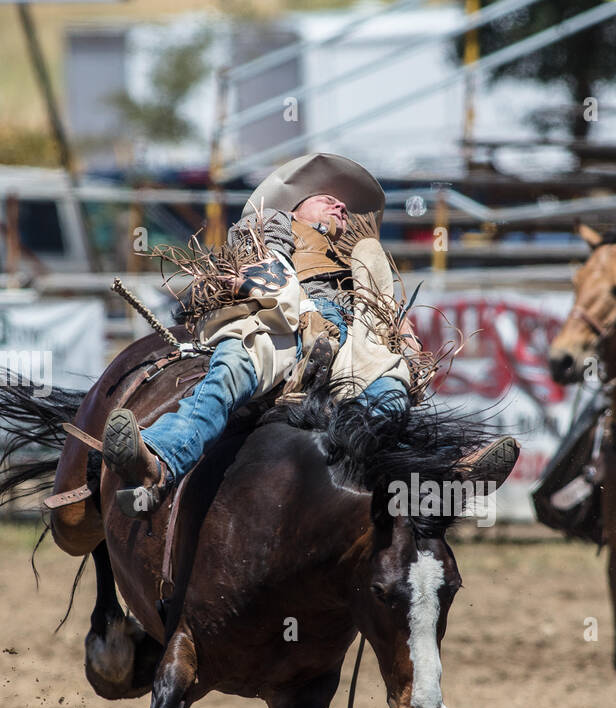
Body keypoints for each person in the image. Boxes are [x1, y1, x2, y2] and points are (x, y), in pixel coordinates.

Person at [102, 153, 519, 517]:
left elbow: (386, 309)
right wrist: (304, 315)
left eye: (344, 203)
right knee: (234, 364)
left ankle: (445, 474)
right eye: (326, 198)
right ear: (296, 207)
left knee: (390, 389)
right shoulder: (270, 227)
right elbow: (261, 279)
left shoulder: (363, 252)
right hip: (279, 320)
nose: (340, 204)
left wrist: (403, 343)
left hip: (355, 333)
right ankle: (159, 458)